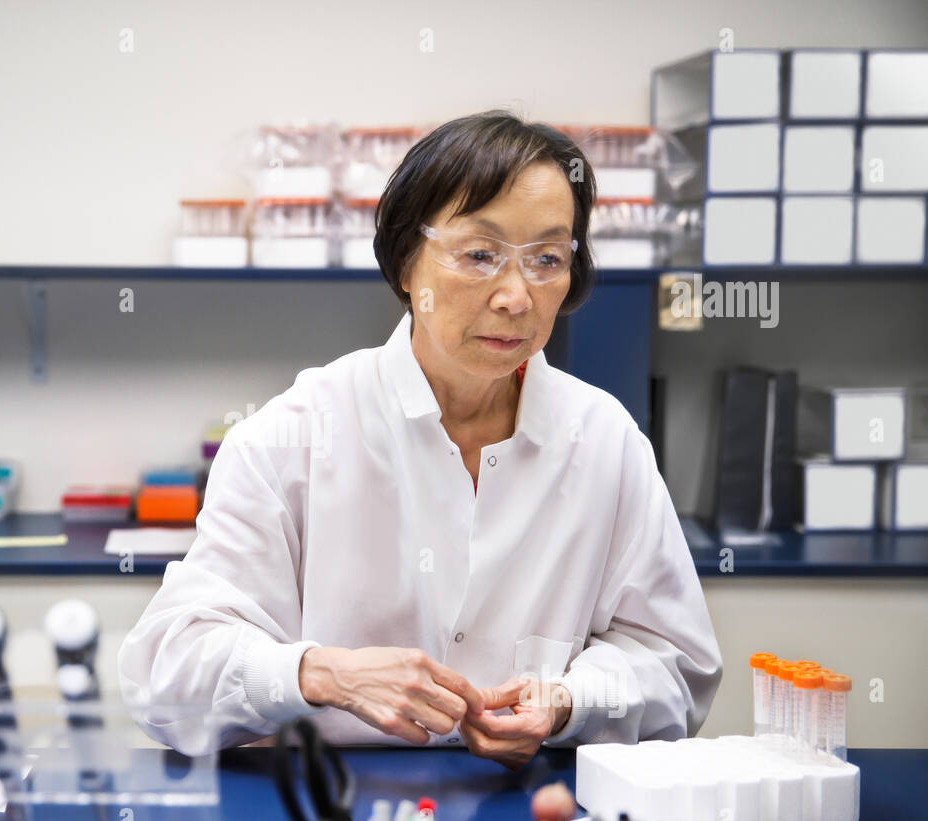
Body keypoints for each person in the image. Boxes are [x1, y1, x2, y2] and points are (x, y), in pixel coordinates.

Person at [118, 108, 722, 767]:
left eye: (547, 259)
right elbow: (164, 677)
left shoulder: (605, 441)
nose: (516, 296)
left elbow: (677, 667)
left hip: (528, 811)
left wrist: (572, 701)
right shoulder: (291, 437)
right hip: (330, 814)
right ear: (407, 264)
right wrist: (321, 674)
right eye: (481, 255)